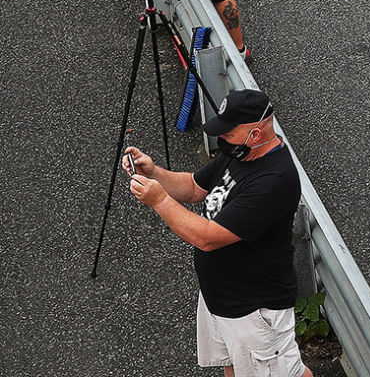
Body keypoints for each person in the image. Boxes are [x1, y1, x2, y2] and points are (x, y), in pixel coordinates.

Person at [124, 89, 309, 377]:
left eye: (228, 133)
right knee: (232, 366)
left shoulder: (274, 180)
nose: (221, 140)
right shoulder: (238, 154)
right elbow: (194, 188)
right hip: (220, 298)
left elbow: (209, 238)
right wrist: (155, 173)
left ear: (256, 134)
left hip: (255, 310)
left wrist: (160, 200)